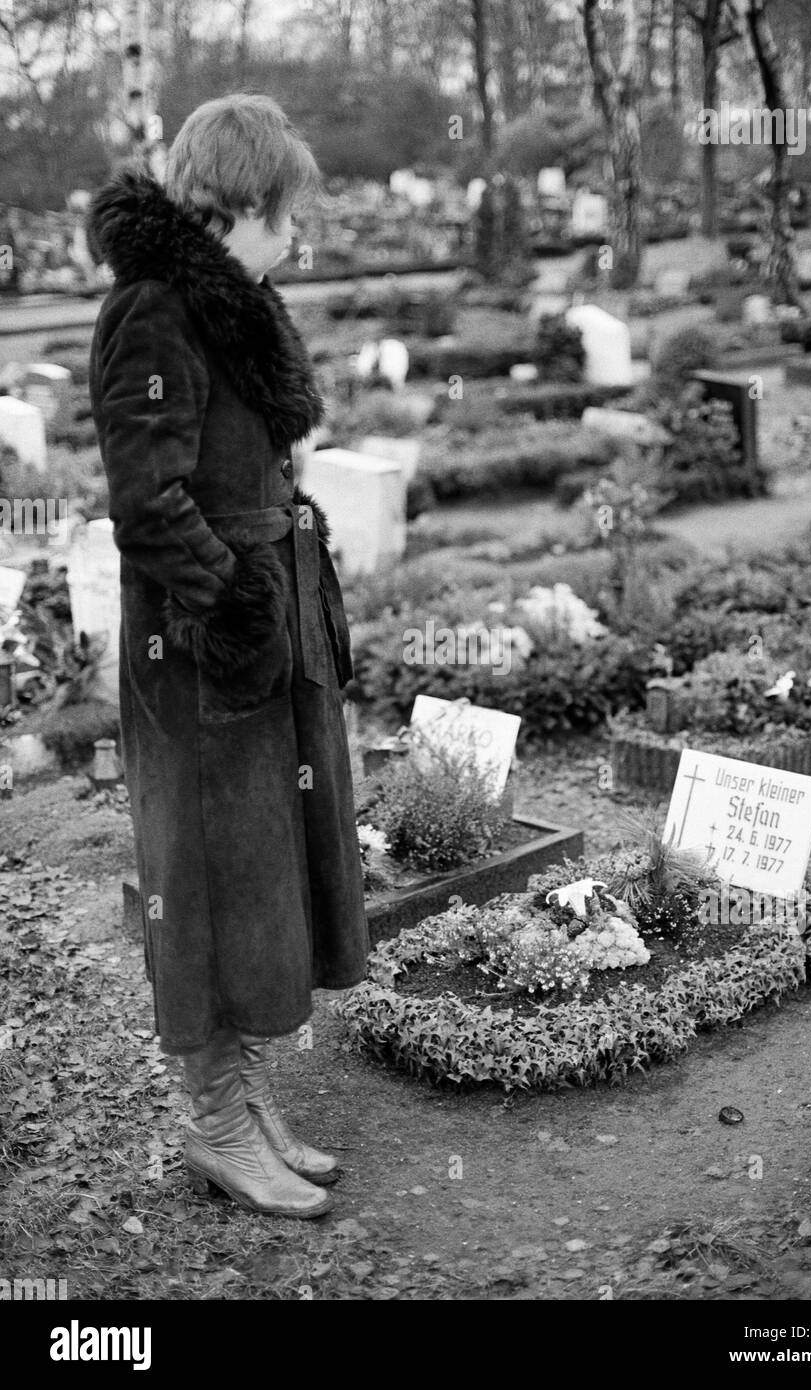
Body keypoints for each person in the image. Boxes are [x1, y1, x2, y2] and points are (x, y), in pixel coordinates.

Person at [87, 94, 370, 1220]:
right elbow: (146, 506)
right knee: (206, 879)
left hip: (253, 628)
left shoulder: (232, 304)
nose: (298, 239)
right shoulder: (152, 313)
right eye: (288, 216)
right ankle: (214, 1124)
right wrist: (238, 602)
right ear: (239, 203)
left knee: (260, 874)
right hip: (201, 645)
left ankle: (244, 1104)